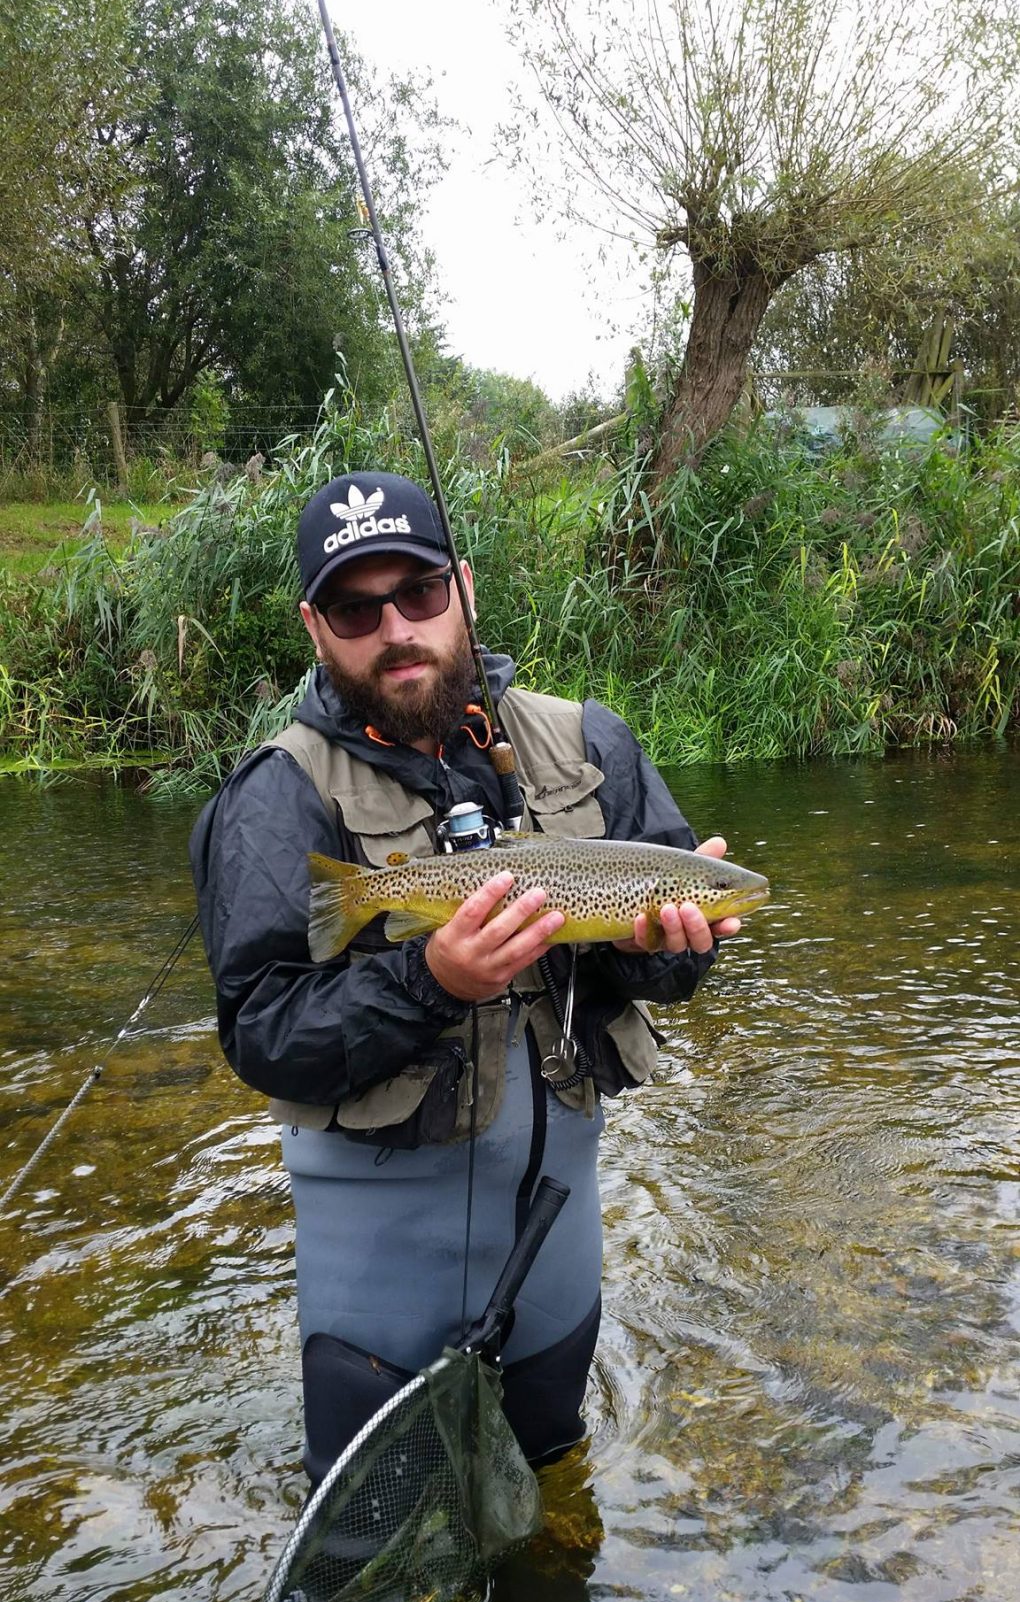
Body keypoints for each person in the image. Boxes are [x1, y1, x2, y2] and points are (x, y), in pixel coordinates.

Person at [190, 470, 743, 1487]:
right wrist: (431, 979)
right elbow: (263, 1035)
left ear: (466, 589)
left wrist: (665, 947)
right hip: (376, 1294)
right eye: (358, 606)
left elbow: (668, 980)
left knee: (551, 1507)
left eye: (421, 592)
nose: (396, 626)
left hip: (557, 1263)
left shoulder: (589, 743)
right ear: (317, 627)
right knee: (364, 1559)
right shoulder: (276, 798)